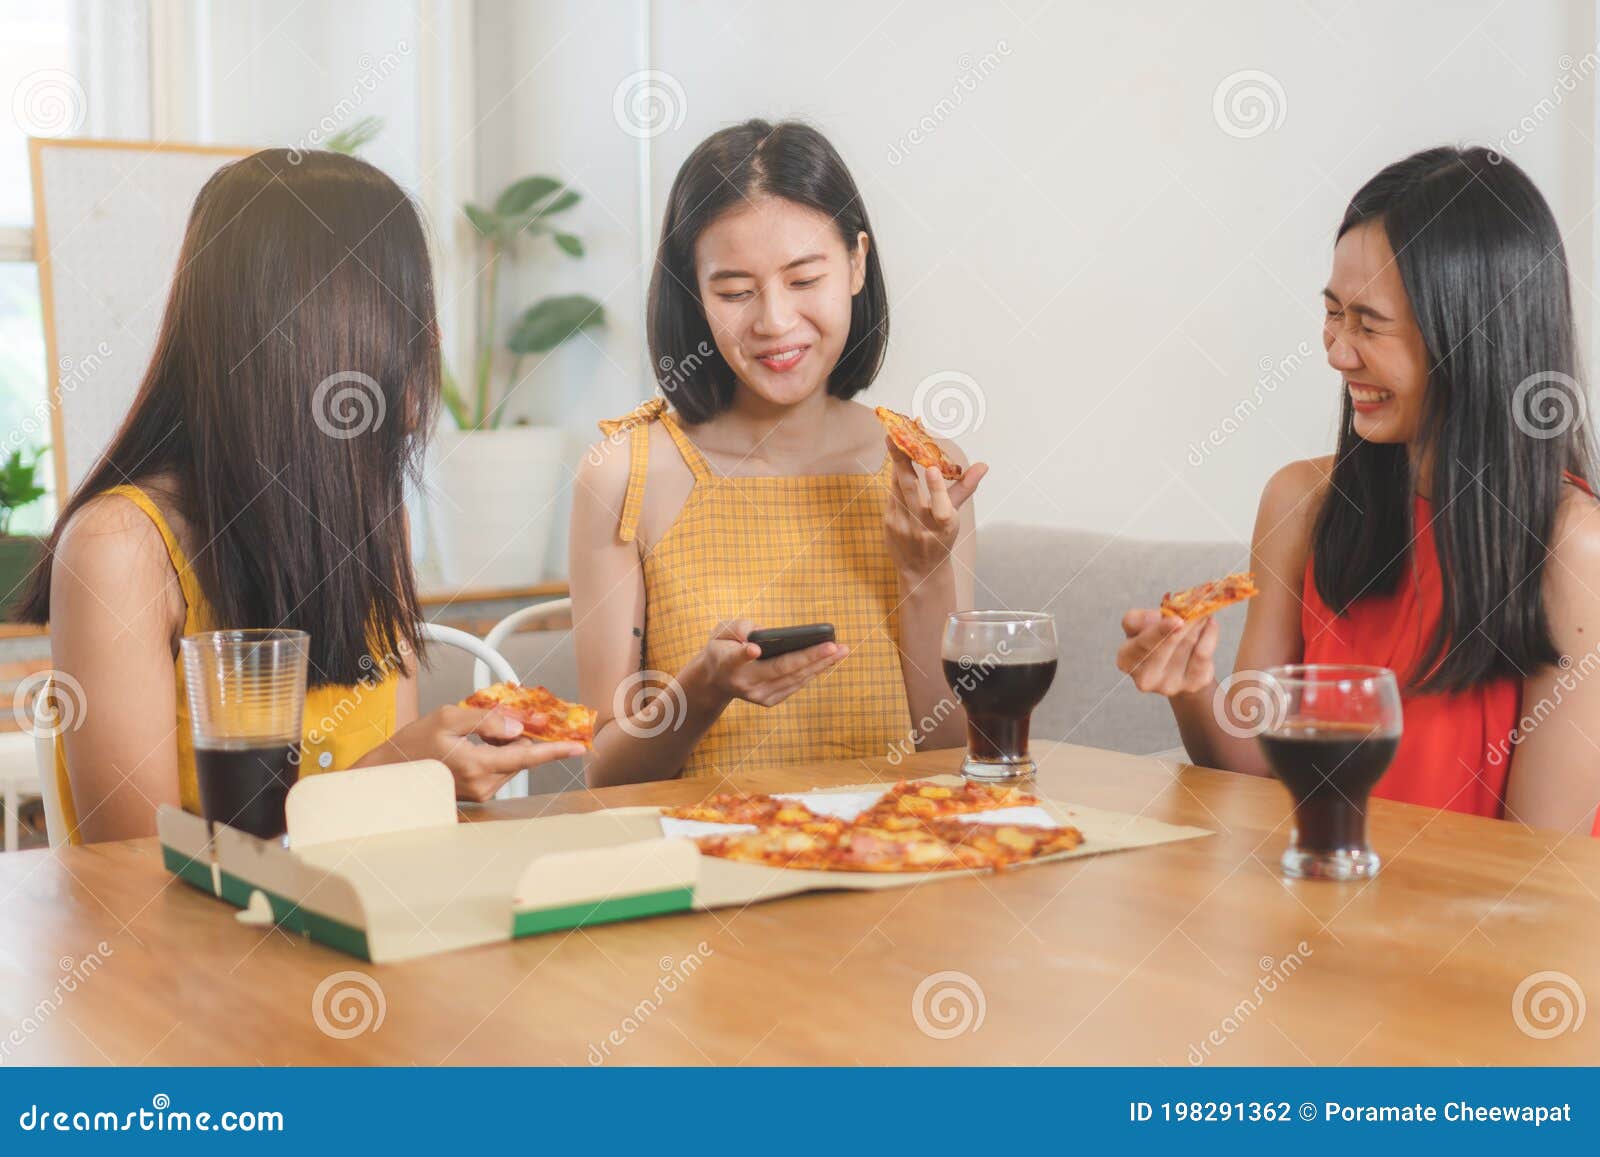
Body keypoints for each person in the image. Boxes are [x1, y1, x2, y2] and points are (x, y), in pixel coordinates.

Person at [18, 149, 584, 844]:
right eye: (406, 315)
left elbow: (391, 835)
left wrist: (439, 768)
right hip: (200, 950)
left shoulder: (374, 516)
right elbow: (138, 871)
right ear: (324, 336)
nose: (428, 345)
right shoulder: (119, 548)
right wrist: (399, 767)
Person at [1117, 146, 1600, 835]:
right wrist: (1192, 689)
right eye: (1334, 312)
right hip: (1319, 909)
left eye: (1369, 323)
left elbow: (1536, 870)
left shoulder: (1573, 548)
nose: (1337, 351)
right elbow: (1252, 771)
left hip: (1477, 936)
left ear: (1472, 337)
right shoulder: (1301, 502)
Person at [571, 119, 986, 786]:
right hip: (704, 868)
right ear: (694, 293)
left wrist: (923, 571)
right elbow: (605, 776)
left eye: (803, 278)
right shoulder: (624, 472)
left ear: (855, 263)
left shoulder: (924, 467)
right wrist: (704, 687)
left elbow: (954, 753)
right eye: (735, 291)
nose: (773, 321)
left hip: (894, 861)